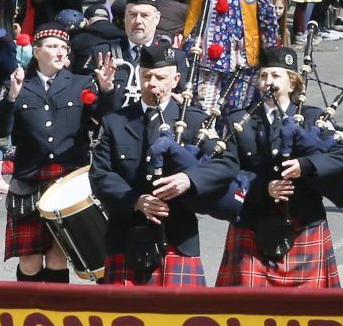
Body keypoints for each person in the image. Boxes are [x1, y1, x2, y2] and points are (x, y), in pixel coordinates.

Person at [88, 44, 239, 286]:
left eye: (160, 77)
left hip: (178, 238)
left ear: (175, 79)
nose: (152, 83)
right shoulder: (115, 122)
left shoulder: (194, 120)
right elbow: (100, 175)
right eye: (147, 76)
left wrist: (189, 180)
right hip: (125, 238)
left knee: (184, 321)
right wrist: (135, 200)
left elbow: (227, 164)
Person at [218, 49, 343, 287]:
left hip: (304, 221)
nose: (268, 82)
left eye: (275, 75)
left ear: (292, 83)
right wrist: (264, 188)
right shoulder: (239, 120)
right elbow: (228, 169)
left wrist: (304, 165)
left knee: (306, 313)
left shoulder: (315, 118)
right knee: (247, 311)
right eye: (263, 76)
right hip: (252, 223)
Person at [6, 26, 94, 281]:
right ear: (36, 51)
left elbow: (101, 118)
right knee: (30, 261)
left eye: (64, 48)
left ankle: (57, 316)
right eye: (53, 46)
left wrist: (107, 91)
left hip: (66, 181)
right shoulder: (20, 83)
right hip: (29, 180)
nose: (60, 52)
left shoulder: (80, 83)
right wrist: (11, 97)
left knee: (58, 257)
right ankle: (26, 316)